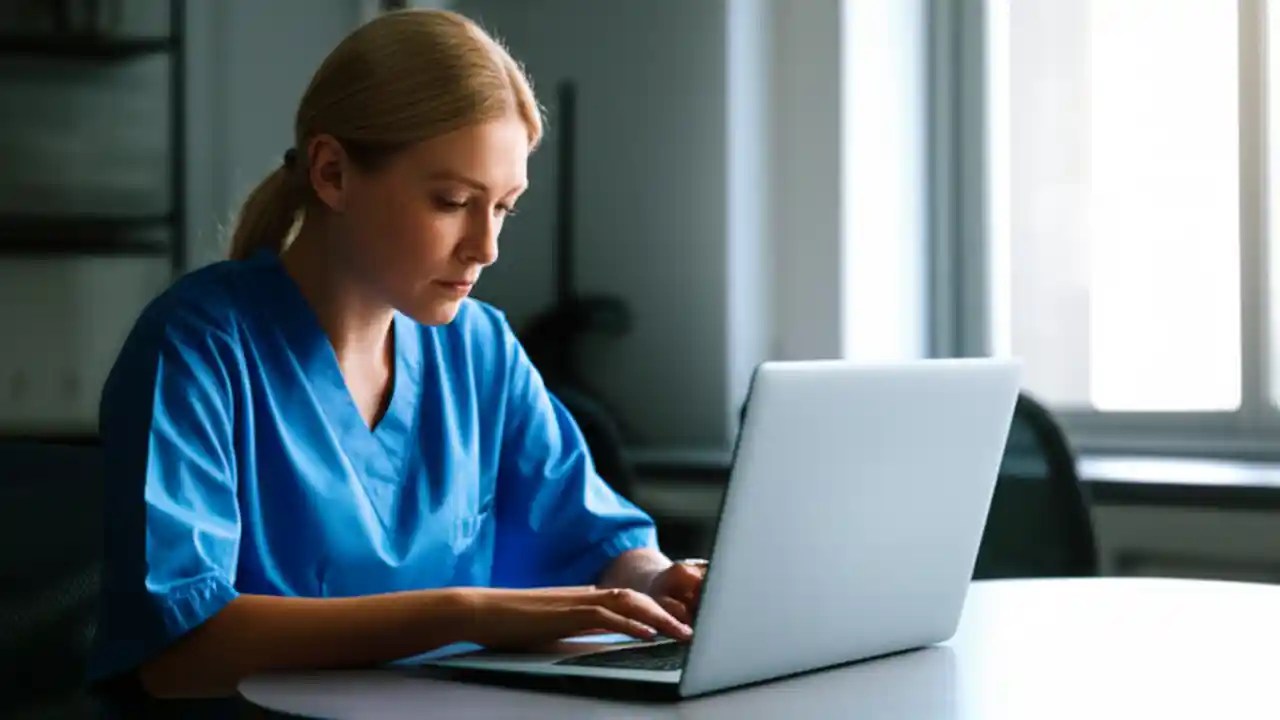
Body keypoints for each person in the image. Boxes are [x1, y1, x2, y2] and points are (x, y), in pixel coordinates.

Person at [88, 9, 704, 699]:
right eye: (452, 201)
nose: (486, 247)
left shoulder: (481, 348)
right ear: (332, 173)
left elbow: (595, 541)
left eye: (504, 207)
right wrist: (462, 612)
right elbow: (179, 652)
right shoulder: (199, 347)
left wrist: (658, 580)